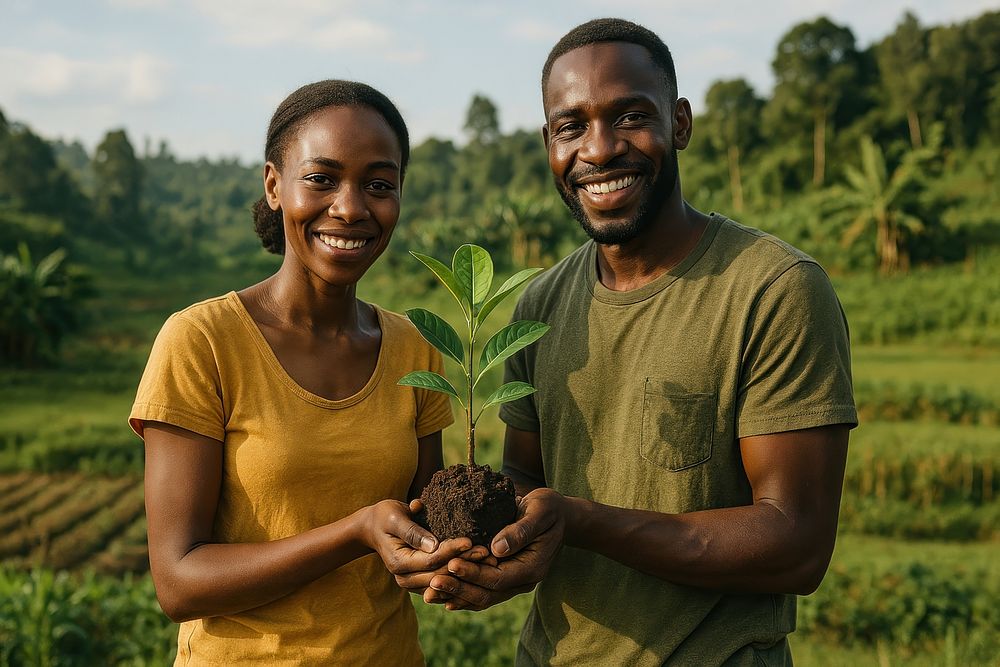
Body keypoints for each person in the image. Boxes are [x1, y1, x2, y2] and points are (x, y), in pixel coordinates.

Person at [412, 18, 858, 666]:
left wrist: (581, 520)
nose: (598, 149)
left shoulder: (773, 289)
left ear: (679, 122)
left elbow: (797, 543)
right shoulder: (541, 304)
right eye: (572, 126)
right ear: (548, 144)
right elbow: (526, 479)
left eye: (629, 116)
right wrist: (483, 550)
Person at [129, 79, 472, 665]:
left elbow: (424, 524)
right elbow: (180, 582)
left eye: (379, 185)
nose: (351, 207)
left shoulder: (416, 349)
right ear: (274, 187)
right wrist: (355, 531)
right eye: (322, 178)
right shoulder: (202, 341)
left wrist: (467, 557)